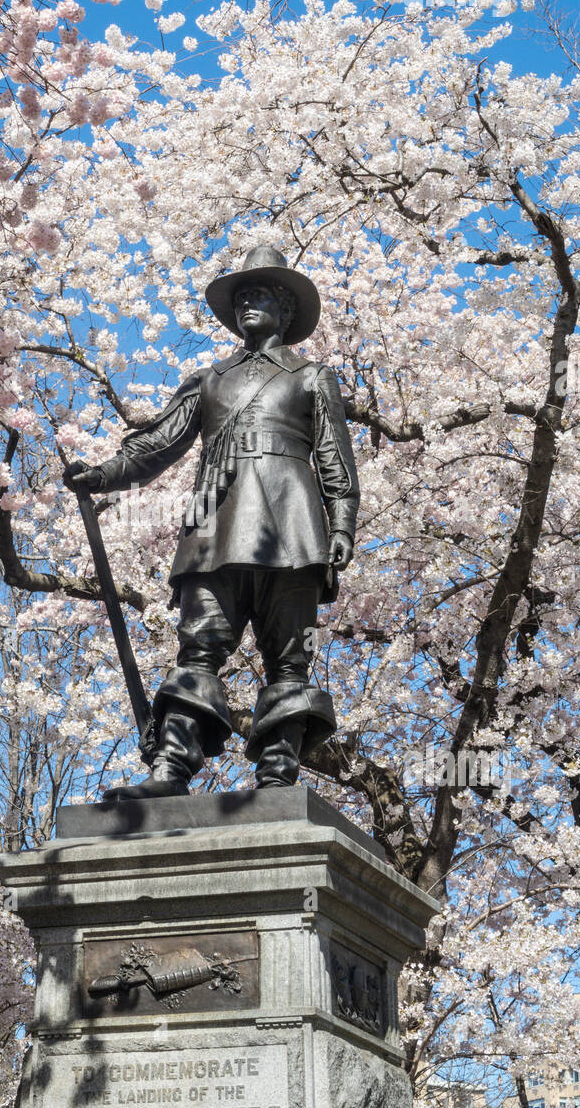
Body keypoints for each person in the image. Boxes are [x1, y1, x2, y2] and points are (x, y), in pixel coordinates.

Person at [65, 246, 359, 800]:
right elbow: (158, 443)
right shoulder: (208, 380)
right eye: (241, 296)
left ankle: (278, 778)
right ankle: (171, 769)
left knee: (289, 658)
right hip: (214, 525)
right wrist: (103, 474)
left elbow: (335, 461)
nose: (248, 302)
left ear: (287, 311)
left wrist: (341, 525)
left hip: (292, 526)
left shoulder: (313, 378)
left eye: (261, 294)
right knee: (198, 646)